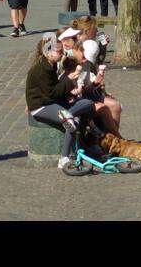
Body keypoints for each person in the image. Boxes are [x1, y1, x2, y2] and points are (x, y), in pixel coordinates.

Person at [27, 34, 98, 169]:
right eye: (58, 51)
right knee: (70, 121)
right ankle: (64, 158)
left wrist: (68, 96)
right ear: (48, 53)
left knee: (87, 104)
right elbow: (51, 93)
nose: (62, 53)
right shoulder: (42, 69)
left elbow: (55, 90)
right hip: (41, 106)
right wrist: (69, 80)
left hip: (51, 101)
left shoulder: (51, 65)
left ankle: (83, 145)